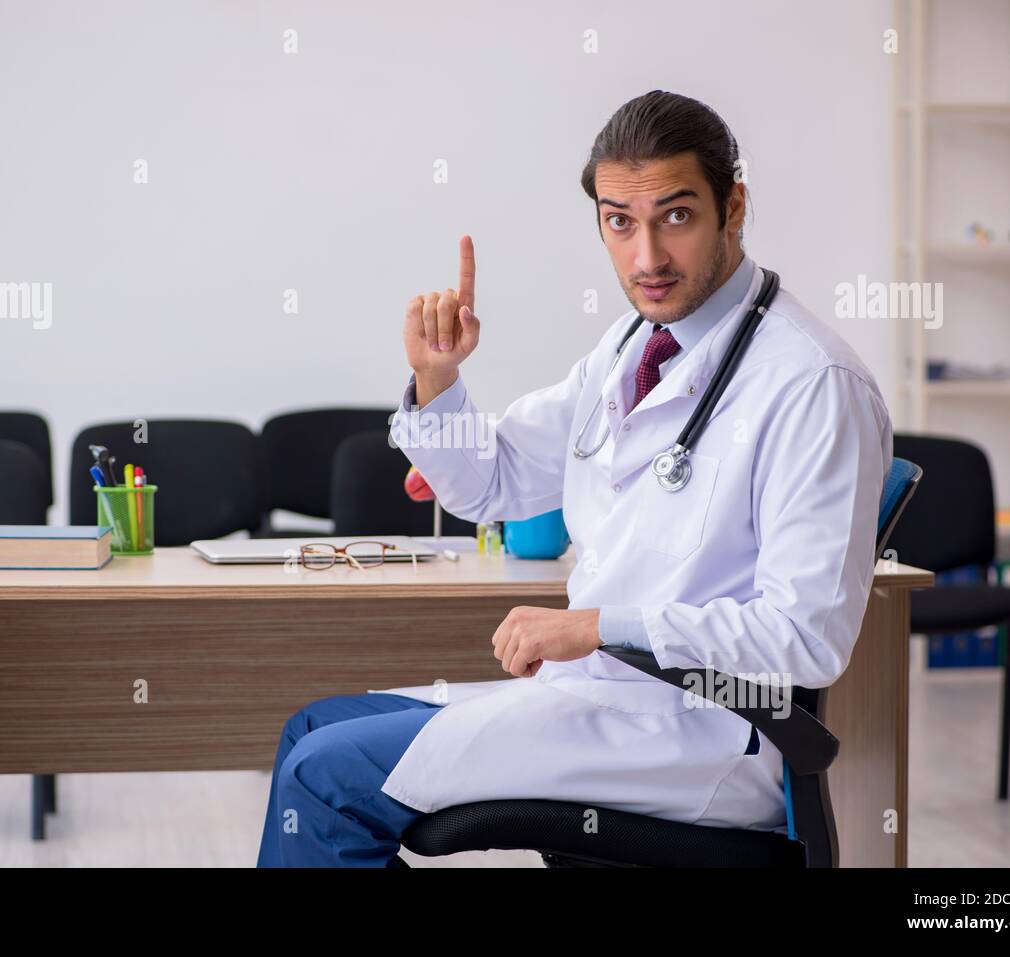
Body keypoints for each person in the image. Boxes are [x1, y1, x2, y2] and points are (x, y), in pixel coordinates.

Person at [257, 89, 891, 868]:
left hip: (705, 729)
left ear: (734, 207)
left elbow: (805, 638)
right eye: (621, 222)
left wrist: (595, 625)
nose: (647, 257)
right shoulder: (632, 345)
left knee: (325, 781)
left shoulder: (812, 382)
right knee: (310, 731)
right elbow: (495, 481)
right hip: (601, 699)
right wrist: (438, 381)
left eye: (677, 215)